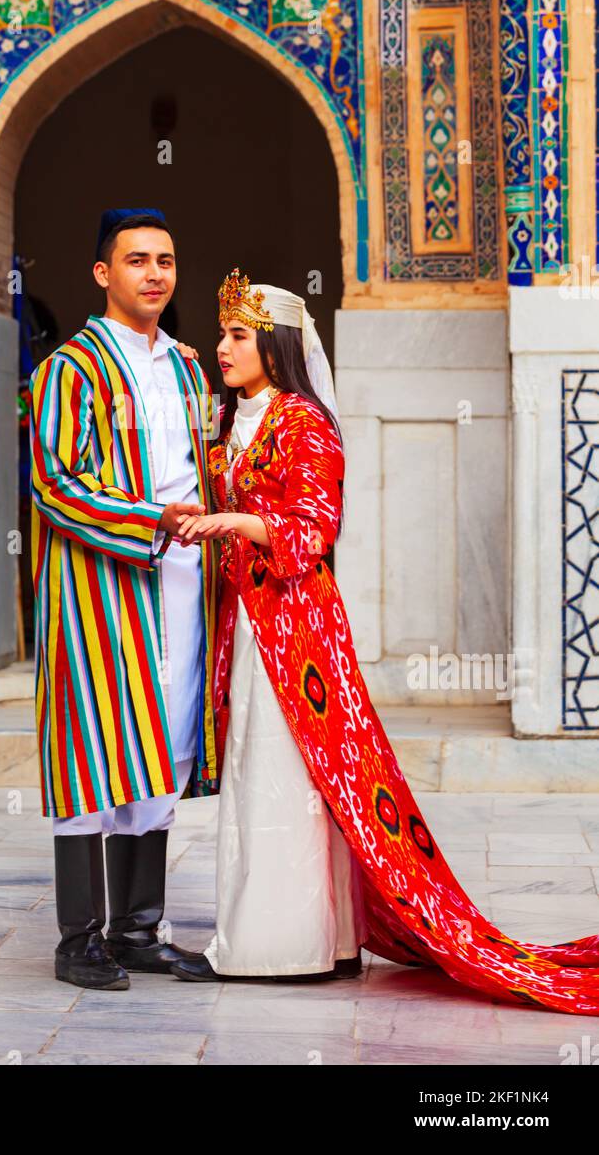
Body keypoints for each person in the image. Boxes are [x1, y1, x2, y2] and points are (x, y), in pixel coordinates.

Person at [168, 268, 599, 1017]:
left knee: (287, 774)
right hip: (251, 620)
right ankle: (304, 938)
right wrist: (198, 514)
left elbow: (312, 531)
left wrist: (231, 524)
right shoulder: (236, 420)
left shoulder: (303, 421)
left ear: (275, 344)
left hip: (298, 625)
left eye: (238, 335)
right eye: (224, 333)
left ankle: (283, 947)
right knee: (260, 769)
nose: (223, 346)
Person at [29, 208, 219, 990]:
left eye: (166, 260)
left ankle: (139, 930)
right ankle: (79, 942)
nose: (154, 272)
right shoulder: (68, 368)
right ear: (103, 273)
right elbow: (53, 481)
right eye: (136, 259)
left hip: (180, 584)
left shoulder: (187, 366)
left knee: (159, 746)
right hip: (96, 587)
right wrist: (149, 520)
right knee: (91, 749)